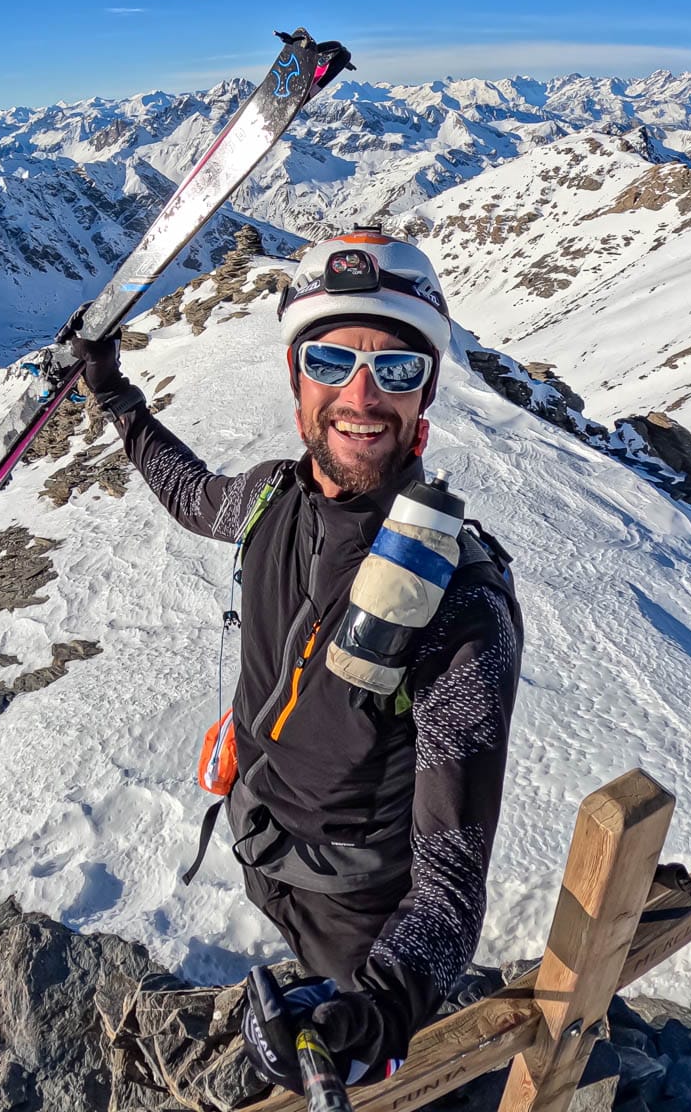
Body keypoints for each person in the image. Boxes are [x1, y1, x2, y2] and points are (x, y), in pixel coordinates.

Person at [68, 228, 523, 1088]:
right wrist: (116, 397)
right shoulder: (270, 497)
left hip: (364, 921)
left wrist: (376, 1015)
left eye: (396, 369)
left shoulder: (459, 605)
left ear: (425, 396)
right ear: (295, 380)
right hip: (263, 846)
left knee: (401, 1085)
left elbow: (452, 882)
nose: (363, 395)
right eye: (331, 360)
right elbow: (188, 493)